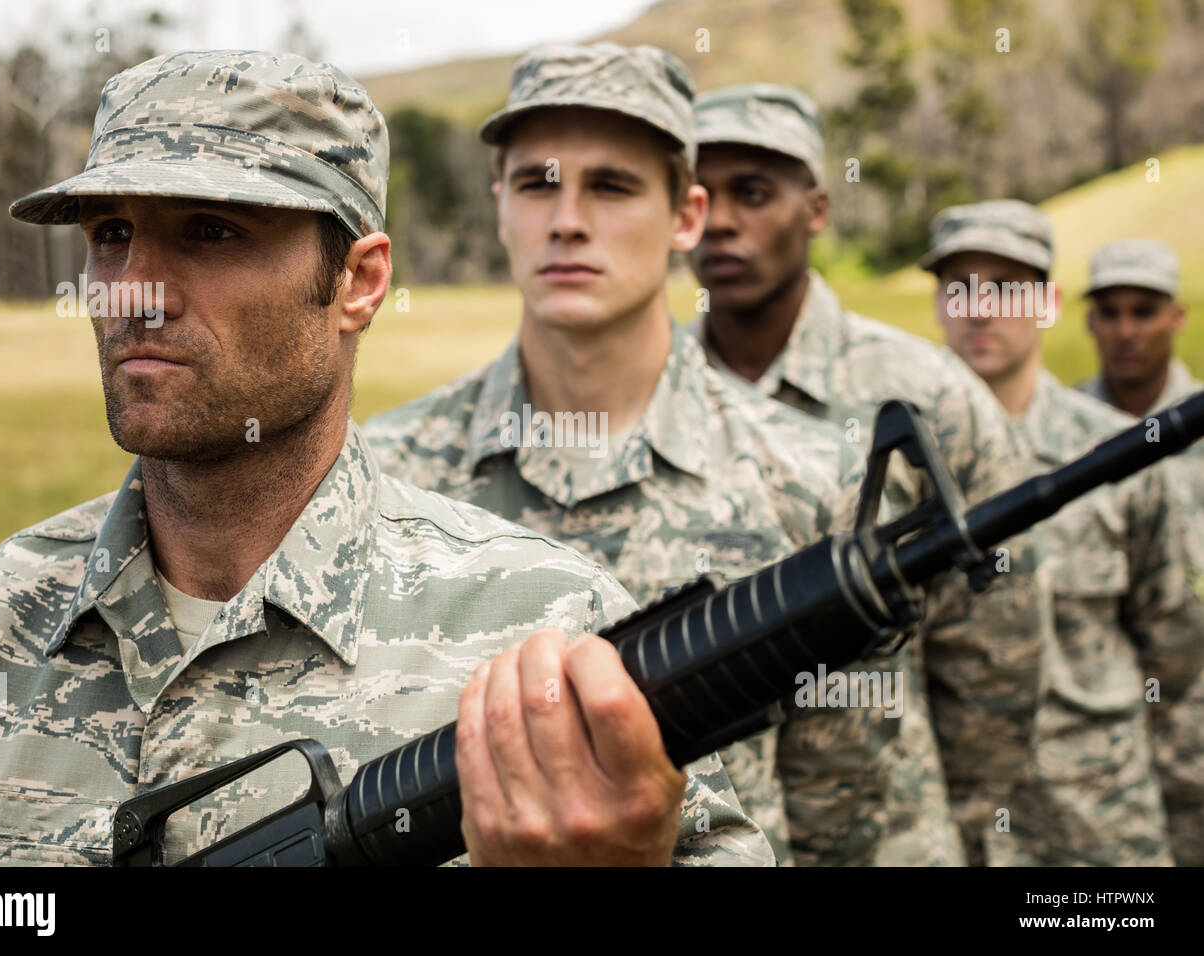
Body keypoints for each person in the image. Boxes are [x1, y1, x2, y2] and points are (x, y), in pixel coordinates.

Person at [0, 49, 773, 867]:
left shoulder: (542, 639)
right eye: (112, 233)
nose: (137, 289)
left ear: (358, 283)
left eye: (209, 232)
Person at [364, 43, 891, 866]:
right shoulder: (382, 476)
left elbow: (848, 823)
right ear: (498, 202)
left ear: (688, 217)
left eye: (611, 185)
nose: (567, 219)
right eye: (537, 182)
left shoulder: (808, 478)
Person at [687, 83, 1044, 865]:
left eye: (754, 194)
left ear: (815, 208)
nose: (723, 221)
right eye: (702, 195)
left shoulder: (928, 396)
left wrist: (976, 825)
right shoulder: (645, 392)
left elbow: (995, 651)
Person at [925, 200, 1204, 865]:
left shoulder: (1120, 456)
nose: (980, 309)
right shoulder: (899, 467)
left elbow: (1174, 638)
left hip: (1091, 825)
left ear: (1048, 304)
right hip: (946, 823)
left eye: (1005, 288)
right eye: (958, 288)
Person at [1076, 238, 1204, 864]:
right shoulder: (1060, 440)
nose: (1126, 331)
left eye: (1144, 311)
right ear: (1089, 321)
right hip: (1091, 761)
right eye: (1111, 312)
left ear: (1177, 317)